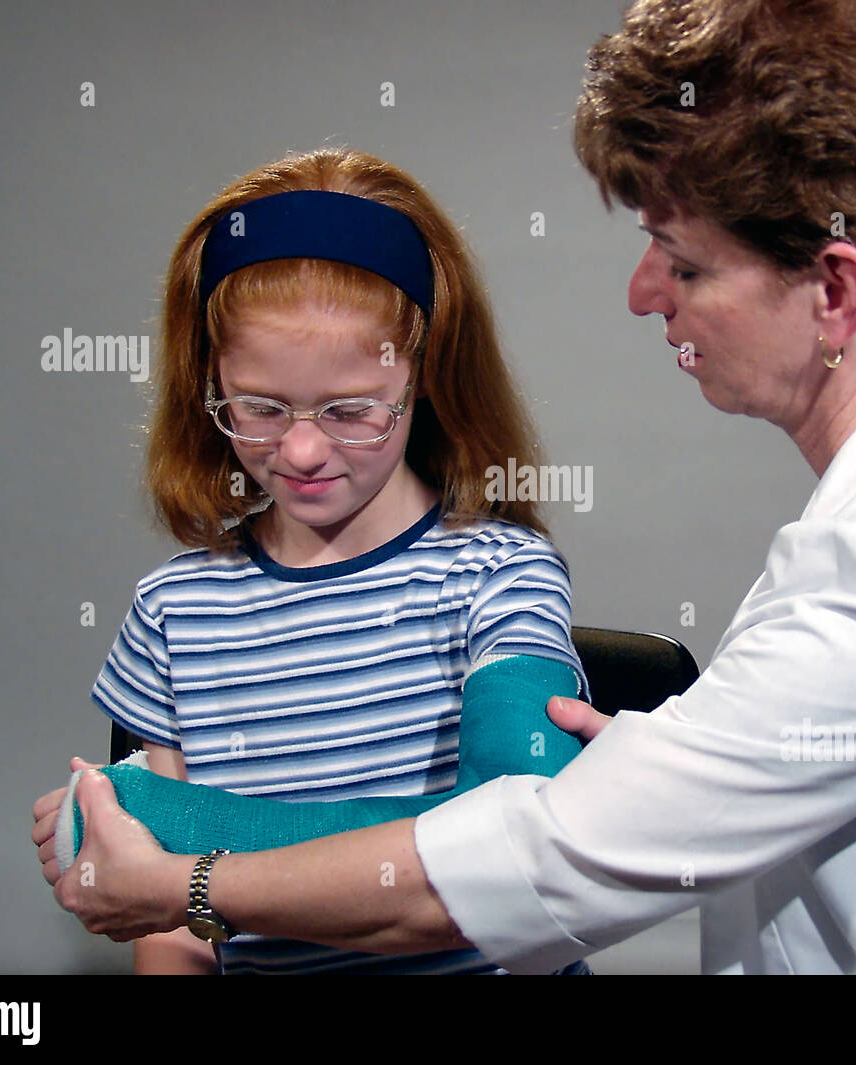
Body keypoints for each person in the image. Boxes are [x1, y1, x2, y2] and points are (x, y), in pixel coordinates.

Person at [34, 0, 856, 974]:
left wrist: (180, 850)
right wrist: (651, 767)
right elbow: (617, 803)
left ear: (835, 293)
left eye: (683, 259)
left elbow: (527, 863)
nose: (644, 294)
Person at [51, 144, 592, 975]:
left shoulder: (499, 575)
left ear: (424, 377)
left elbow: (516, 843)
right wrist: (157, 872)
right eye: (259, 407)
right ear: (210, 383)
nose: (301, 450)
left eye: (351, 410)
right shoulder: (174, 611)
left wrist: (168, 825)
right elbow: (170, 932)